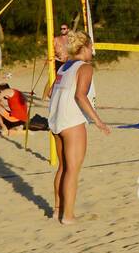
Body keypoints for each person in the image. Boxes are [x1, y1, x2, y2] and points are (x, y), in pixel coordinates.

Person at [47, 31, 112, 224]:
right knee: (73, 171)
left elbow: (51, 92)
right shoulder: (85, 68)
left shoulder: (64, 66)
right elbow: (80, 96)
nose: (93, 50)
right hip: (72, 122)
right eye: (91, 47)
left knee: (63, 167)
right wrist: (98, 121)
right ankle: (68, 216)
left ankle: (57, 210)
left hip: (56, 121)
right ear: (83, 47)